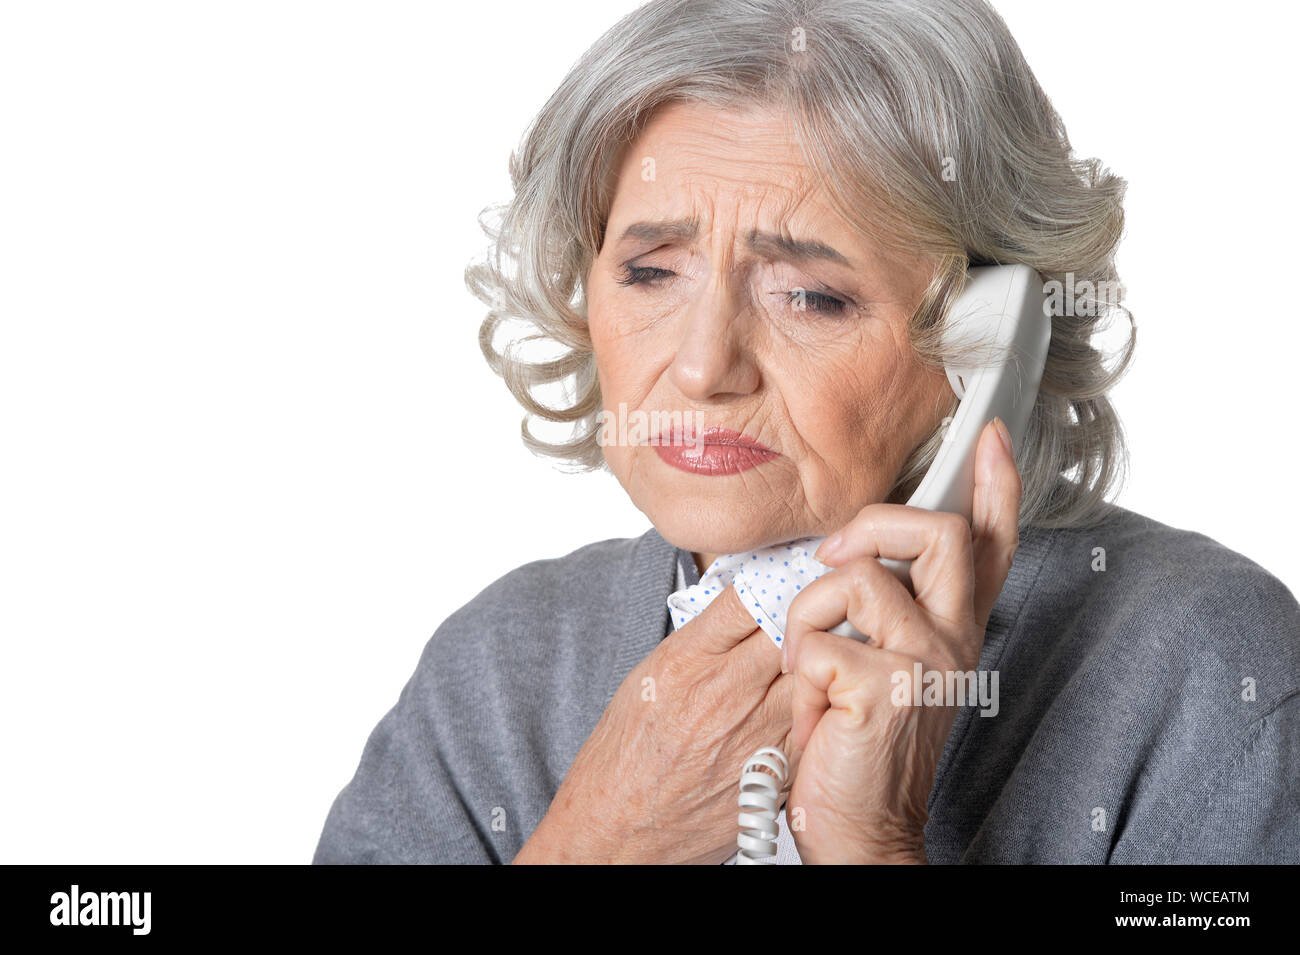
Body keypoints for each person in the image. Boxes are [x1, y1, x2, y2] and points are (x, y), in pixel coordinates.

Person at [312, 0, 1300, 864]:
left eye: (812, 296)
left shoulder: (1203, 668)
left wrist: (869, 847)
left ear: (986, 336)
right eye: (651, 271)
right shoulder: (495, 668)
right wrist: (602, 843)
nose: (703, 366)